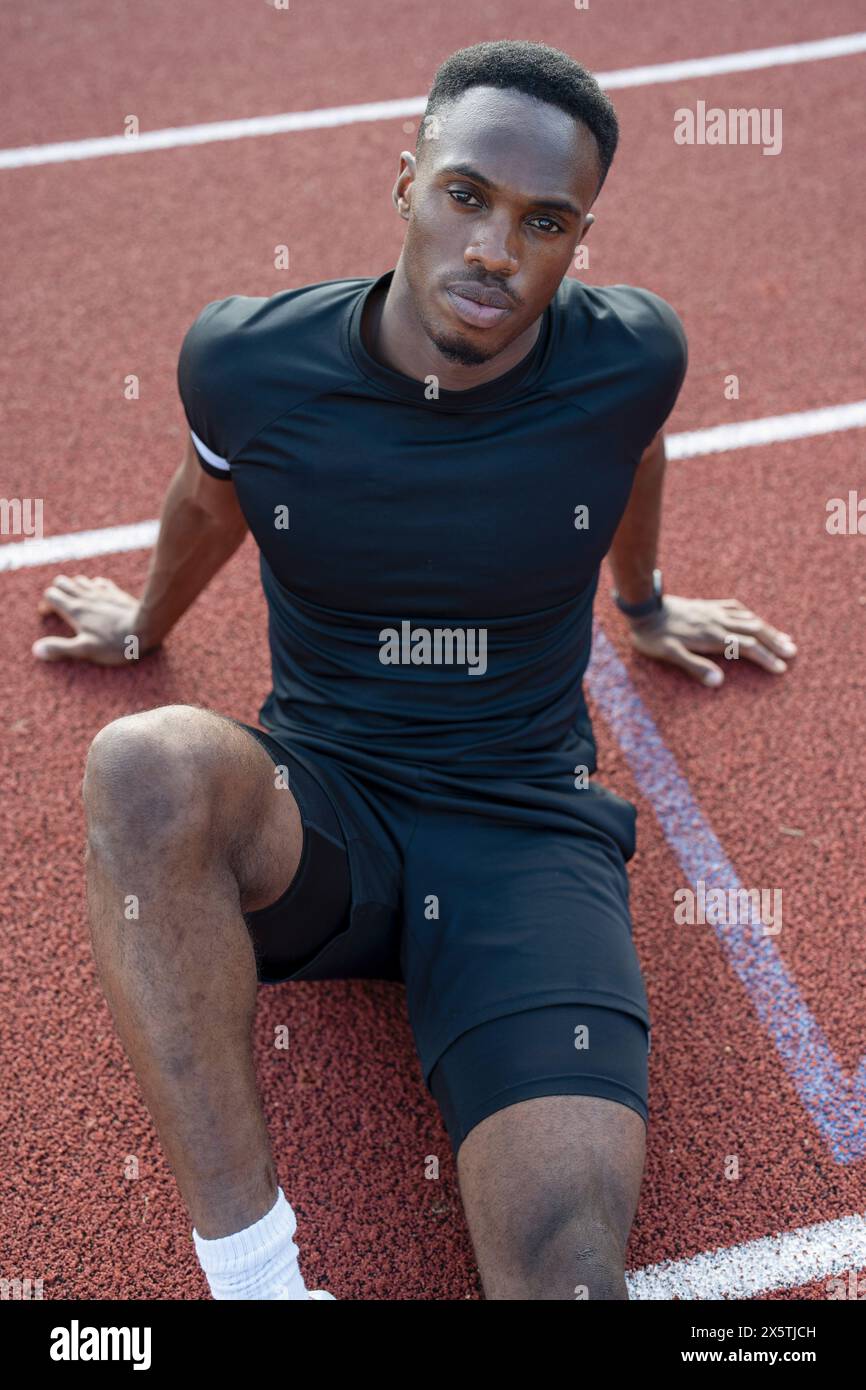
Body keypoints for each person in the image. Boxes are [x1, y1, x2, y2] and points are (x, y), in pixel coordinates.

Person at [34, 40, 796, 1300]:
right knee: (144, 763)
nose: (495, 248)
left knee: (567, 1275)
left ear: (578, 238)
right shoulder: (248, 362)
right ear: (405, 181)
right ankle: (257, 1282)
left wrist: (643, 601)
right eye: (465, 196)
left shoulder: (629, 359)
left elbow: (633, 456)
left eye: (542, 220)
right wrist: (143, 623)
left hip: (522, 831)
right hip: (322, 810)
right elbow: (208, 500)